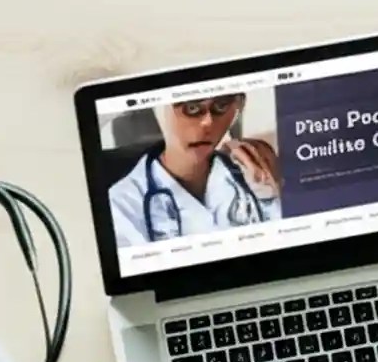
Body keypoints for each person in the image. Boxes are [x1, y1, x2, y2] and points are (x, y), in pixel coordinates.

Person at [107, 93, 282, 247]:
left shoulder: (257, 173)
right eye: (191, 107)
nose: (208, 122)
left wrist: (273, 199)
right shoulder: (121, 205)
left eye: (221, 106)